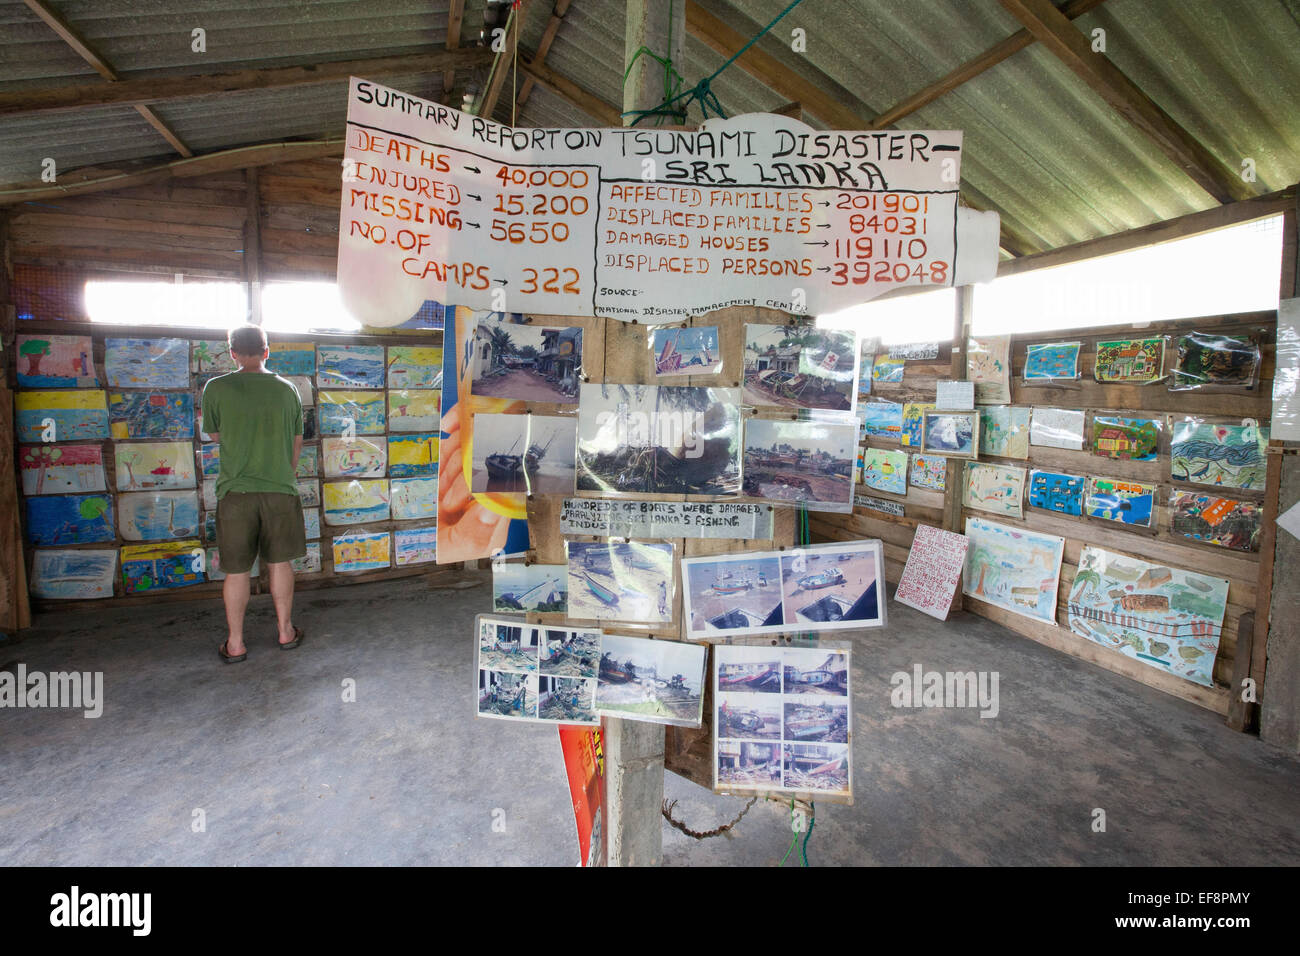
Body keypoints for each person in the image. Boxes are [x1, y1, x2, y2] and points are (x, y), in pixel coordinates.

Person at [202, 324, 307, 662]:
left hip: (236, 492)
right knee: (280, 562)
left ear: (232, 352)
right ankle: (285, 631)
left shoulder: (215, 388)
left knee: (236, 571)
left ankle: (235, 644)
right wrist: (284, 474)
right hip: (279, 488)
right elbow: (296, 440)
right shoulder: (288, 390)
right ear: (267, 350)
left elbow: (216, 436)